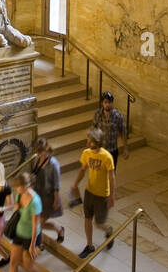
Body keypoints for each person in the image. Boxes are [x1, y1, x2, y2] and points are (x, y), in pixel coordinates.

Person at [0, 171, 47, 272]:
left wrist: (32, 245)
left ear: (26, 185)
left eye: (18, 186)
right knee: (13, 262)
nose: (16, 189)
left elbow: (35, 225)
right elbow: (18, 208)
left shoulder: (35, 201)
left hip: (31, 236)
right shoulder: (20, 194)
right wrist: (15, 206)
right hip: (19, 232)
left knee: (27, 265)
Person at [69, 129, 115, 257]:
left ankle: (108, 230)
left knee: (99, 223)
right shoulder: (86, 153)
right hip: (89, 192)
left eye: (89, 139)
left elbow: (112, 178)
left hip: (102, 195)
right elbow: (83, 170)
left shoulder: (106, 157)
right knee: (87, 218)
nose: (87, 141)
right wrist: (75, 184)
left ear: (96, 142)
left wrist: (111, 196)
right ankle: (89, 246)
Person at [31, 136, 63, 244]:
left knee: (39, 223)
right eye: (38, 152)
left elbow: (56, 185)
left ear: (46, 149)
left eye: (42, 152)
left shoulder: (53, 164)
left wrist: (56, 200)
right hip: (38, 195)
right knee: (37, 222)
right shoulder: (36, 160)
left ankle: (39, 244)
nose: (40, 155)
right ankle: (58, 229)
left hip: (48, 198)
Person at [93, 91, 128, 169]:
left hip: (112, 150)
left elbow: (123, 132)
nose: (107, 104)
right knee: (100, 172)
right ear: (102, 103)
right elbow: (94, 131)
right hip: (100, 149)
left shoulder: (118, 116)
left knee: (111, 173)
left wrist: (125, 149)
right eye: (105, 102)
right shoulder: (97, 114)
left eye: (109, 102)